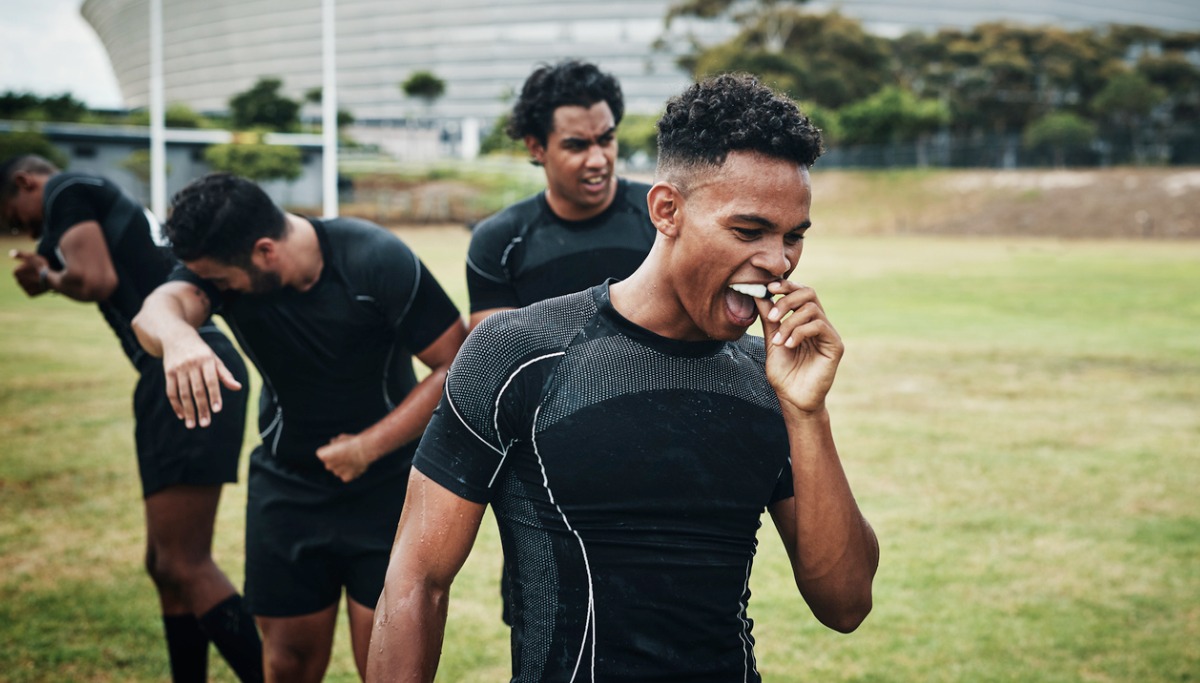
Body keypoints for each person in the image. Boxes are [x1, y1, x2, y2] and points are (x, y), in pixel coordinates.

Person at [367, 73, 880, 681]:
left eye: (793, 237)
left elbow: (846, 604)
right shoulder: (518, 354)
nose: (777, 263)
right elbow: (417, 579)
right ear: (667, 210)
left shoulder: (768, 380)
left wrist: (807, 413)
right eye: (748, 231)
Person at [130, 173, 468, 682]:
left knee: (384, 663)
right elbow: (155, 311)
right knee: (287, 661)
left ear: (265, 250)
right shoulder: (217, 264)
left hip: (386, 489)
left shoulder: (373, 258)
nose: (215, 292)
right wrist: (179, 337)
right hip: (286, 487)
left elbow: (455, 363)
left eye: (221, 282)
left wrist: (368, 447)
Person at [1, 156, 262, 683]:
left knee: (184, 563)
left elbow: (95, 278)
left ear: (25, 182)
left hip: (184, 365)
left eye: (13, 213)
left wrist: (47, 276)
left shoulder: (66, 189)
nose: (24, 229)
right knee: (164, 565)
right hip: (180, 363)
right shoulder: (93, 190)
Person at [466, 58, 656, 328]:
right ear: (536, 147)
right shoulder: (500, 242)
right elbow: (496, 357)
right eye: (577, 146)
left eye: (606, 140)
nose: (598, 160)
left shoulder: (662, 218)